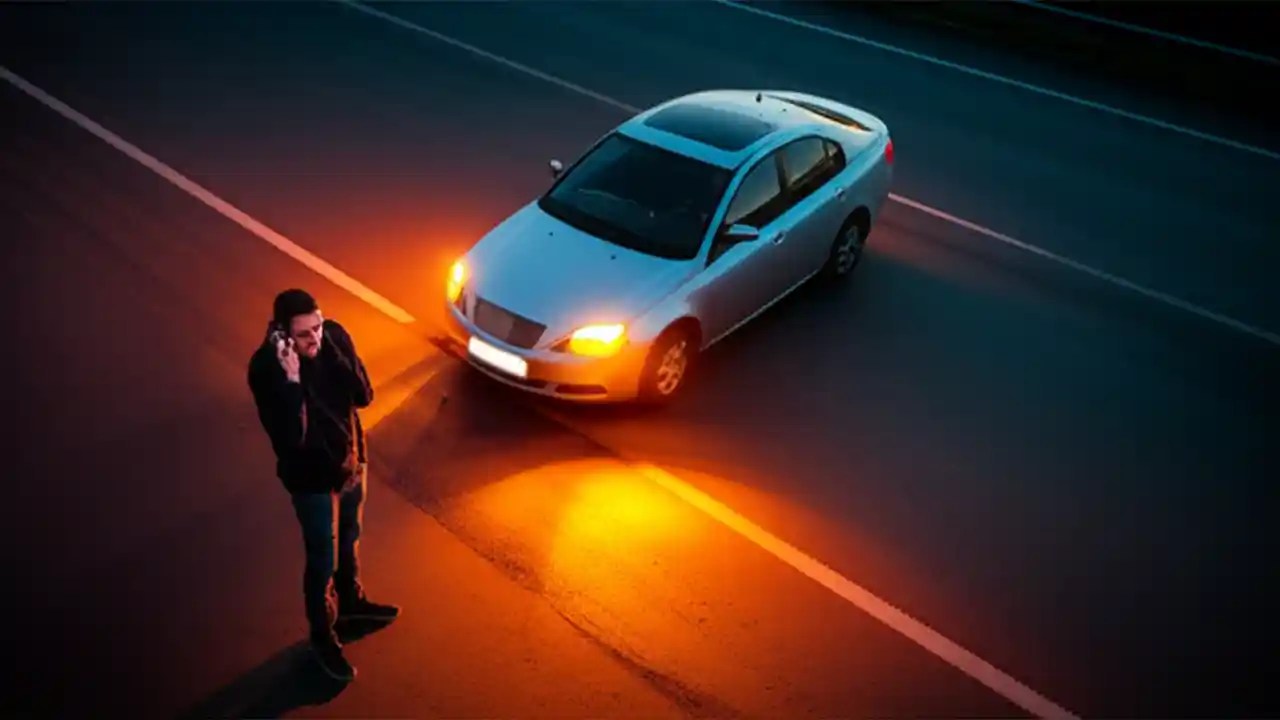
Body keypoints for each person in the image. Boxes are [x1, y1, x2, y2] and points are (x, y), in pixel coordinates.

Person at [247, 289, 399, 681]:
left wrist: (329, 347)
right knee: (322, 559)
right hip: (311, 481)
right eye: (303, 335)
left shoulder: (333, 337)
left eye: (317, 327)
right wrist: (293, 378)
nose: (313, 339)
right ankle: (322, 635)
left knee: (351, 535)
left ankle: (351, 601)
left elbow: (364, 396)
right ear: (282, 335)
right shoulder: (266, 368)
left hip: (350, 462)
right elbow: (291, 438)